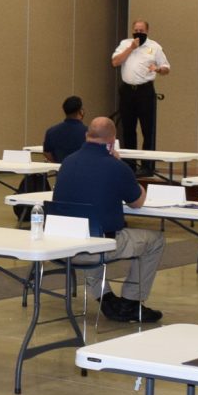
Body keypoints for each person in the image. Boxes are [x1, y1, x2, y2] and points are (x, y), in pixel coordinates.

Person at [54, 116, 163, 323]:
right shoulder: (116, 167)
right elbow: (138, 201)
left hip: (65, 245)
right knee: (155, 240)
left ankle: (106, 299)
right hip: (98, 247)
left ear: (87, 136)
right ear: (112, 141)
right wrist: (121, 164)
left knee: (89, 233)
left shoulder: (67, 162)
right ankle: (132, 301)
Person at [110, 18, 170, 161]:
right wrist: (131, 48)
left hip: (145, 91)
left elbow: (166, 68)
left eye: (141, 31)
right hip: (127, 91)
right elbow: (115, 62)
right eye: (136, 31)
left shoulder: (154, 47)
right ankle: (130, 164)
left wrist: (159, 69)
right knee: (128, 128)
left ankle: (147, 165)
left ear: (147, 31)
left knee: (147, 129)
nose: (138, 33)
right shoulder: (125, 44)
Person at [41, 96, 89, 164]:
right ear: (81, 111)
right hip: (82, 170)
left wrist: (58, 164)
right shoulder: (89, 133)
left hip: (61, 171)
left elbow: (47, 152)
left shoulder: (51, 131)